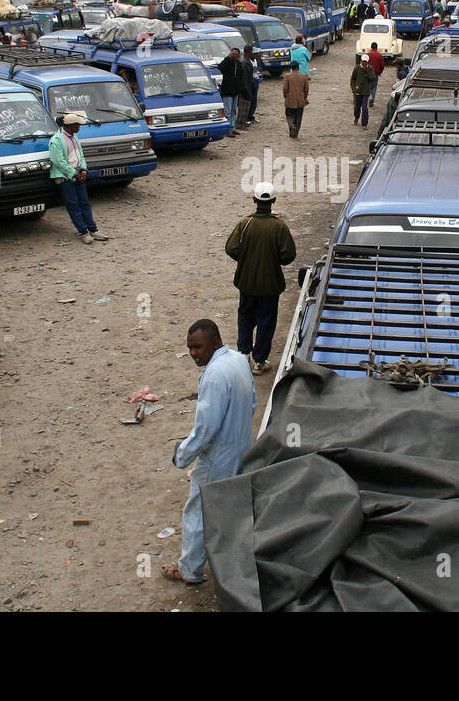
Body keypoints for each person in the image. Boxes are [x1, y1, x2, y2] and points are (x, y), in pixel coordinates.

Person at [162, 318, 256, 585]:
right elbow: (252, 402)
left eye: (198, 347)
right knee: (232, 508)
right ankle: (231, 562)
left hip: (218, 455)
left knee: (198, 512)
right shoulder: (238, 360)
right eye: (190, 348)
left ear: (215, 342)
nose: (193, 353)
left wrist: (182, 455)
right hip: (241, 445)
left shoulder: (214, 375)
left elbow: (205, 429)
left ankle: (190, 570)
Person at [225, 182, 297, 373]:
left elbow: (231, 249)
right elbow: (288, 256)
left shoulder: (244, 224)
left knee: (245, 318)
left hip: (246, 283)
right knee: (266, 321)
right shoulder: (279, 227)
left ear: (254, 200)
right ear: (273, 200)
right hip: (270, 286)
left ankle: (243, 355)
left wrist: (246, 258)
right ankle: (259, 361)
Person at [48, 111, 109, 244]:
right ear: (71, 126)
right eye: (77, 125)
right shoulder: (56, 141)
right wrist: (75, 174)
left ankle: (93, 229)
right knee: (73, 204)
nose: (79, 128)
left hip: (77, 175)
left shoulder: (74, 137)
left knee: (84, 202)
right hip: (65, 177)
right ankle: (83, 231)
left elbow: (80, 155)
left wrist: (83, 171)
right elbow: (59, 162)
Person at [218, 48, 244, 136]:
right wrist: (226, 58)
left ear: (238, 55)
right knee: (227, 111)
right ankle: (227, 129)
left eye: (235, 54)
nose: (233, 55)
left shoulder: (239, 65)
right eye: (232, 53)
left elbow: (240, 77)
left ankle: (232, 127)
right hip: (227, 91)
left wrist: (239, 89)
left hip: (235, 92)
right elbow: (220, 67)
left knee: (233, 110)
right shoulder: (226, 63)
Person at [282, 65, 310, 138]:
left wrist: (285, 96)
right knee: (299, 117)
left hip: (290, 100)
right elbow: (306, 89)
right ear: (298, 67)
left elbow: (285, 88)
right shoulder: (304, 76)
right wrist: (304, 97)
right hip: (300, 100)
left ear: (291, 68)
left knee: (289, 115)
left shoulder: (287, 76)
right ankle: (296, 132)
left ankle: (292, 126)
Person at [351, 54, 374, 127]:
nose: (364, 63)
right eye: (363, 62)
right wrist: (354, 89)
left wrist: (366, 71)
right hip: (357, 91)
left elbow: (372, 78)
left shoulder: (370, 68)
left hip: (365, 92)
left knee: (364, 108)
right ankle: (356, 117)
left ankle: (364, 124)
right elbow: (353, 79)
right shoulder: (357, 68)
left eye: (365, 62)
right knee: (357, 107)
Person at [237, 46, 256, 127]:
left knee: (245, 106)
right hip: (245, 88)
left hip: (246, 86)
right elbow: (244, 78)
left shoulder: (245, 60)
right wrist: (247, 90)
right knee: (243, 106)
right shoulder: (245, 62)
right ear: (249, 51)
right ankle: (240, 123)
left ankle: (242, 122)